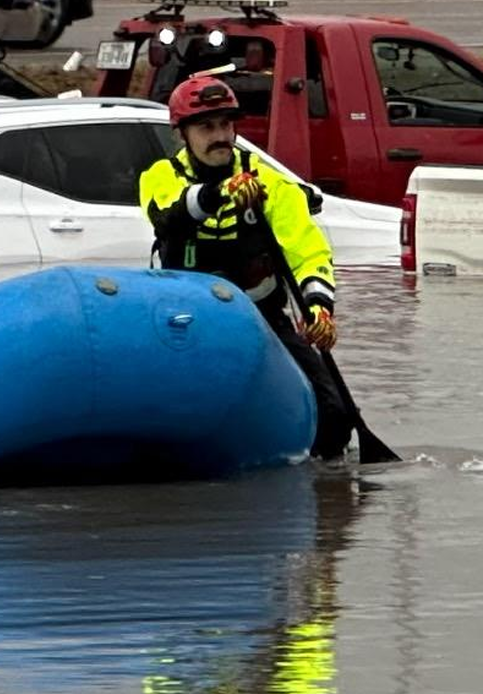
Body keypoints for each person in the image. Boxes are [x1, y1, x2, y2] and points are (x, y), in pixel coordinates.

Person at [138, 74, 349, 460]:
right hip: (185, 321)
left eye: (225, 125)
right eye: (206, 127)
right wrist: (219, 194)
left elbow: (307, 251)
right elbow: (169, 217)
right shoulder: (159, 177)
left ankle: (322, 500)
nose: (219, 136)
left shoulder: (270, 184)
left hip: (262, 317)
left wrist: (319, 306)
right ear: (182, 134)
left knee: (333, 414)